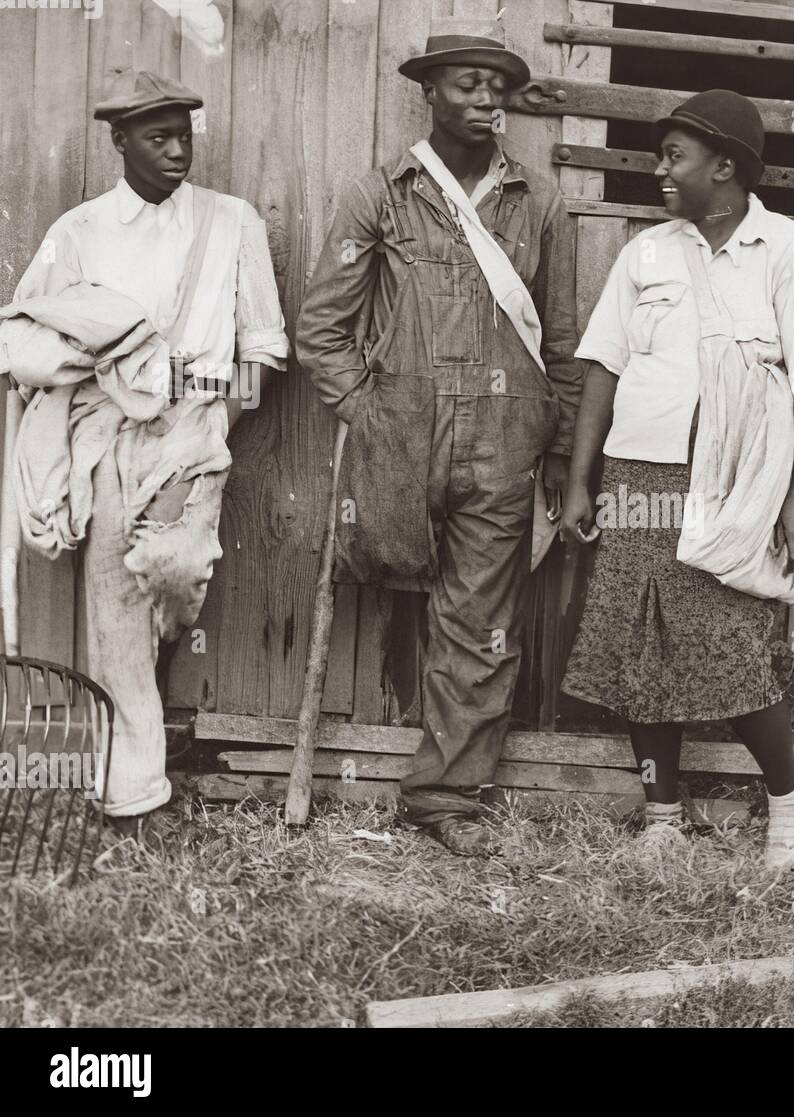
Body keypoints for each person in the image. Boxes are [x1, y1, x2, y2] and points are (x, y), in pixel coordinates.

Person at [296, 33, 584, 857]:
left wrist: (556, 444)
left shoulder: (540, 202)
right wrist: (371, 409)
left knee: (481, 623)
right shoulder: (383, 195)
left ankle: (445, 798)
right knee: (380, 574)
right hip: (402, 441)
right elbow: (322, 329)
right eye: (470, 84)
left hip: (505, 443)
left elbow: (559, 336)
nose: (488, 98)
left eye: (499, 86)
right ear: (431, 91)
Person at [560, 90, 794, 873]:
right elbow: (602, 367)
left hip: (730, 476)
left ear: (724, 167)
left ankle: (789, 796)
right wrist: (582, 481)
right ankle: (662, 812)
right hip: (637, 469)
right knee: (635, 643)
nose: (660, 169)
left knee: (724, 641)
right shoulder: (646, 254)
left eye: (674, 156)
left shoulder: (787, 249)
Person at [0, 71, 289, 838]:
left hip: (197, 426)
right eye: (157, 137)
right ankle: (136, 794)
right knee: (115, 611)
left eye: (184, 135)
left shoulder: (233, 223)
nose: (176, 150)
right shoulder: (81, 229)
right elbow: (21, 329)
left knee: (173, 567)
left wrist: (214, 423)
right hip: (105, 434)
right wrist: (88, 364)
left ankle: (142, 736)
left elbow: (261, 351)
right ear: (119, 141)